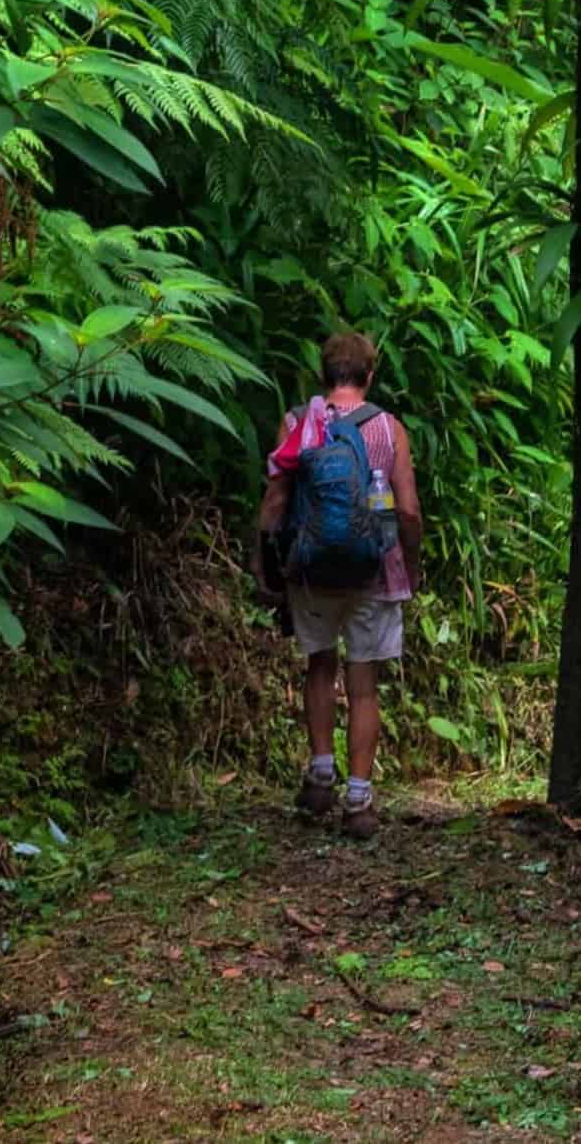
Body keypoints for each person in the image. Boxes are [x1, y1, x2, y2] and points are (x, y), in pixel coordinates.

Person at [253, 332, 423, 839]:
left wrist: (266, 564)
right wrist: (410, 566)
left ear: (323, 374)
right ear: (369, 376)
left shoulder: (297, 424)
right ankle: (359, 797)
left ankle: (320, 772)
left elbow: (275, 504)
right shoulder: (388, 429)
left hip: (311, 567)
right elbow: (408, 510)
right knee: (364, 681)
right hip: (375, 568)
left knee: (319, 665)